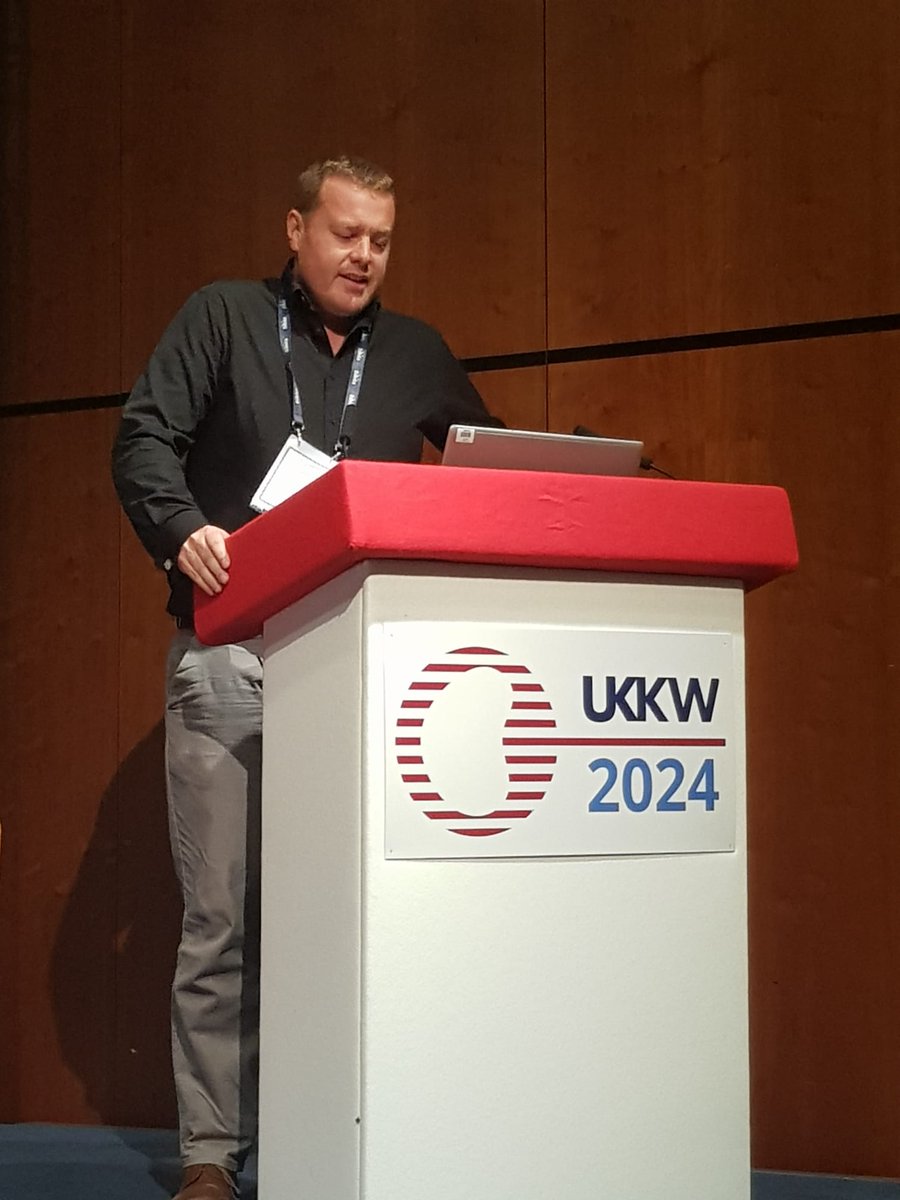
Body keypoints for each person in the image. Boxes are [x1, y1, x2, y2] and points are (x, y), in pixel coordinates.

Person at [112, 156, 500, 1200]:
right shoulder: (223, 318)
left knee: (363, 914)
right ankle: (211, 1154)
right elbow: (143, 436)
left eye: (381, 239)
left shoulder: (415, 353)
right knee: (223, 921)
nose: (363, 255)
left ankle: (353, 1137)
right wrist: (181, 528)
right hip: (232, 653)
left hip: (366, 665)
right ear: (296, 229)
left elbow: (488, 468)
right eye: (344, 232)